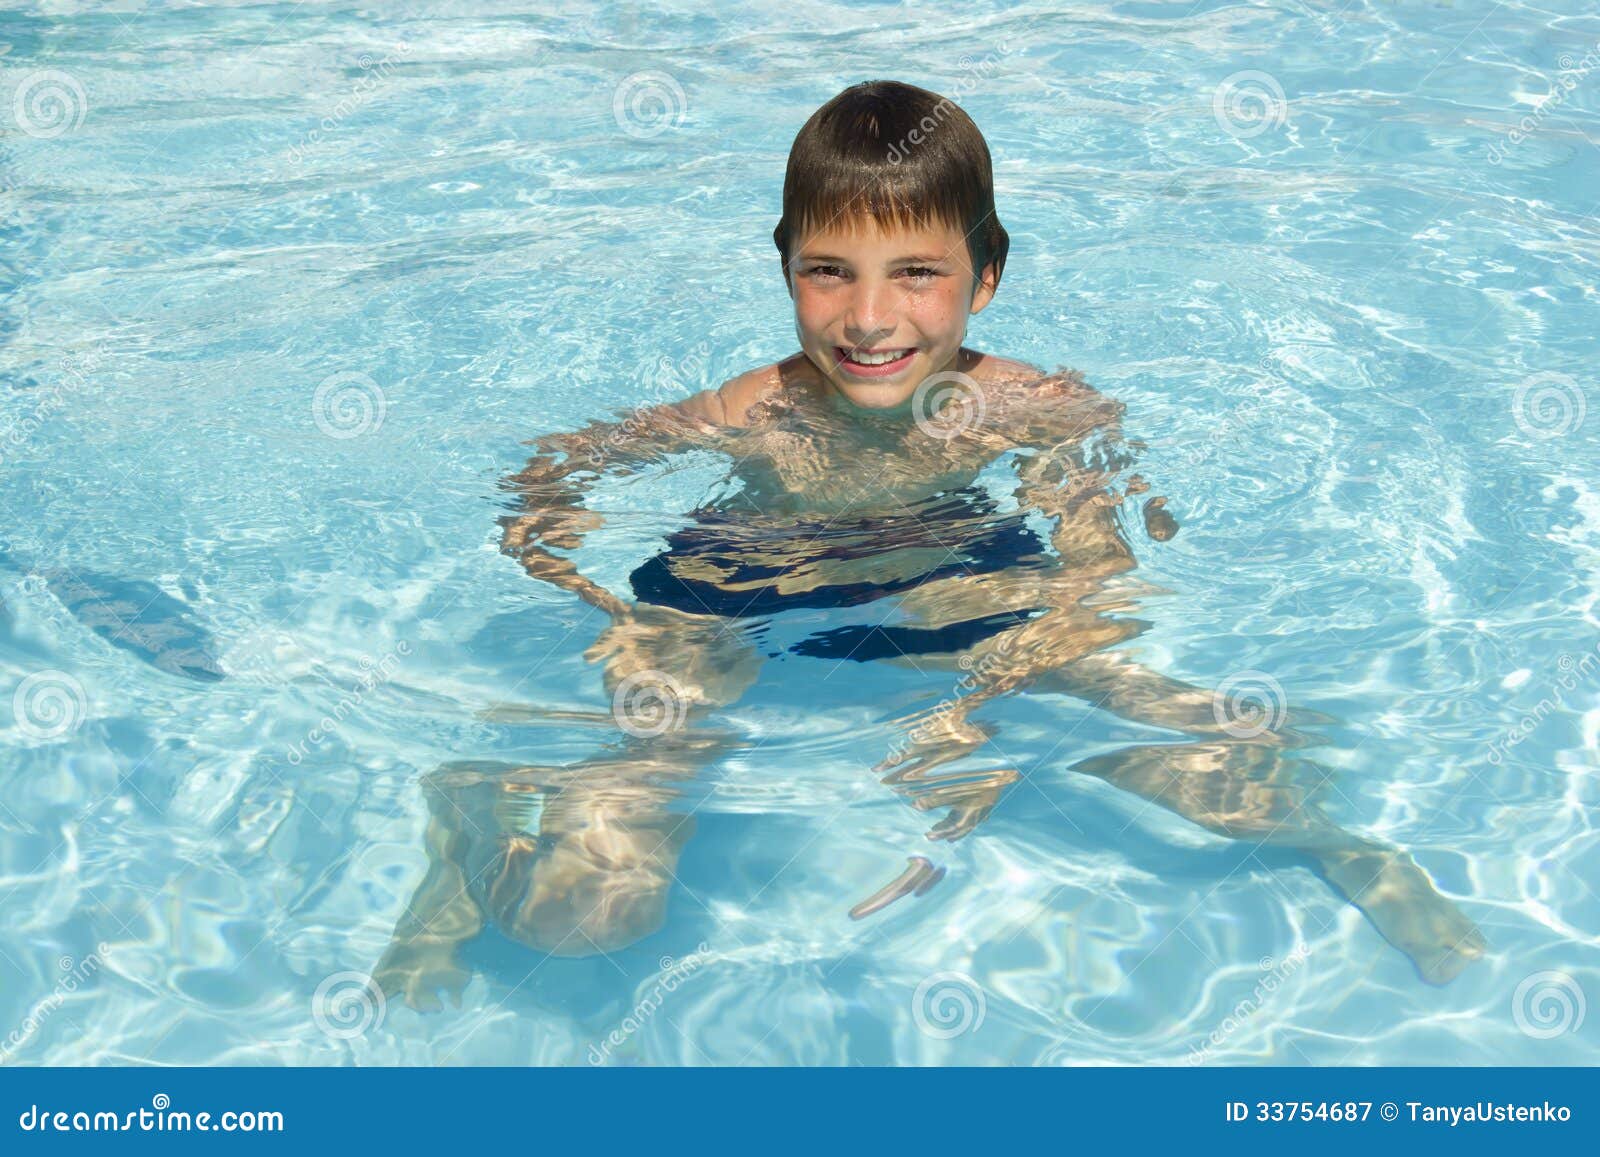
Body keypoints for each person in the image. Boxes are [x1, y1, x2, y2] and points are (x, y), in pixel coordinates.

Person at [377, 80, 1485, 1009]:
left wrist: (977, 703)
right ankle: (473, 827)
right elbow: (564, 465)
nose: (868, 318)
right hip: (737, 583)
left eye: (915, 272)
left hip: (948, 575)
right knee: (592, 907)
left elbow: (1098, 577)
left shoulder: (1039, 410)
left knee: (1211, 726)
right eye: (829, 270)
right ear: (785, 270)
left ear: (985, 274)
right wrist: (571, 559)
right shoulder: (757, 407)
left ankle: (1344, 849)